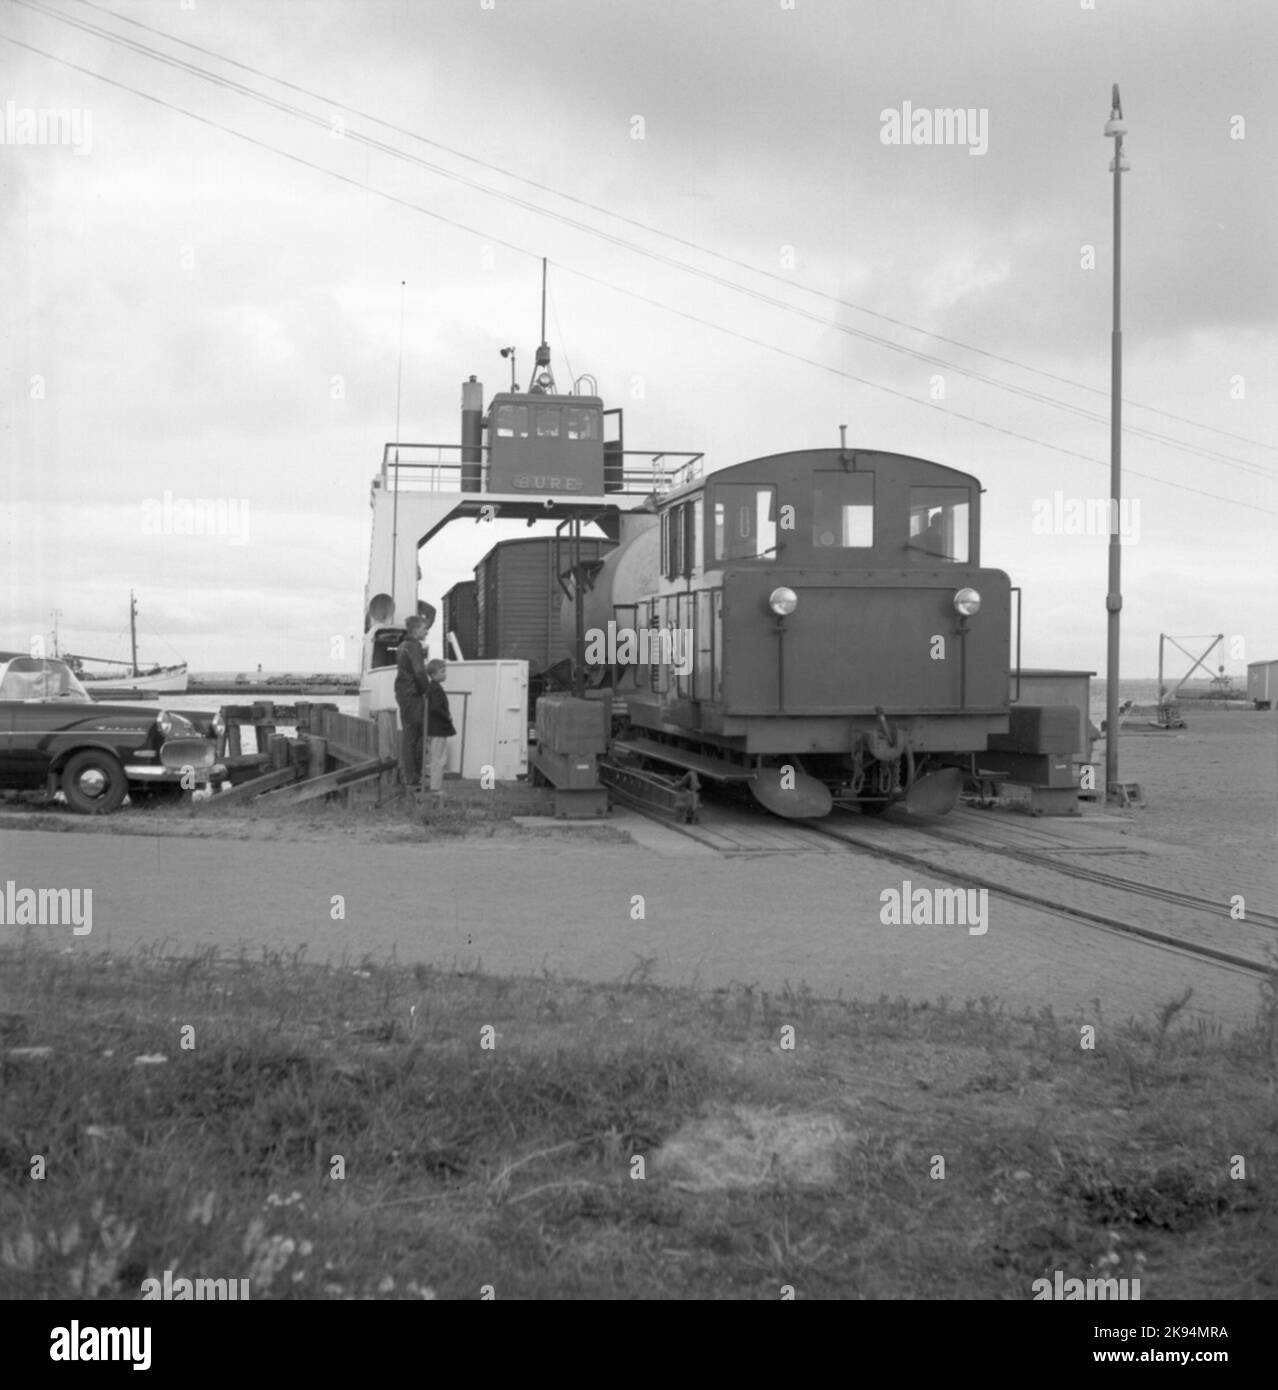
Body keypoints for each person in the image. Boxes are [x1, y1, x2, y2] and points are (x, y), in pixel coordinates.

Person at [394, 615, 432, 793]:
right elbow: (419, 671)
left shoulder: (402, 645)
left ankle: (410, 775)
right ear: (416, 630)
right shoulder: (414, 646)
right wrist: (428, 690)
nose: (427, 631)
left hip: (403, 693)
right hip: (412, 695)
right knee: (415, 736)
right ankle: (413, 776)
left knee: (410, 735)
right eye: (424, 628)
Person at [424, 658, 456, 796]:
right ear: (434, 674)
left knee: (434, 757)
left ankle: (433, 785)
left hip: (433, 729)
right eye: (442, 671)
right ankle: (435, 788)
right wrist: (447, 716)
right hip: (438, 729)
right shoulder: (436, 689)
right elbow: (436, 708)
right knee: (439, 758)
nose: (445, 674)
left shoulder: (432, 687)